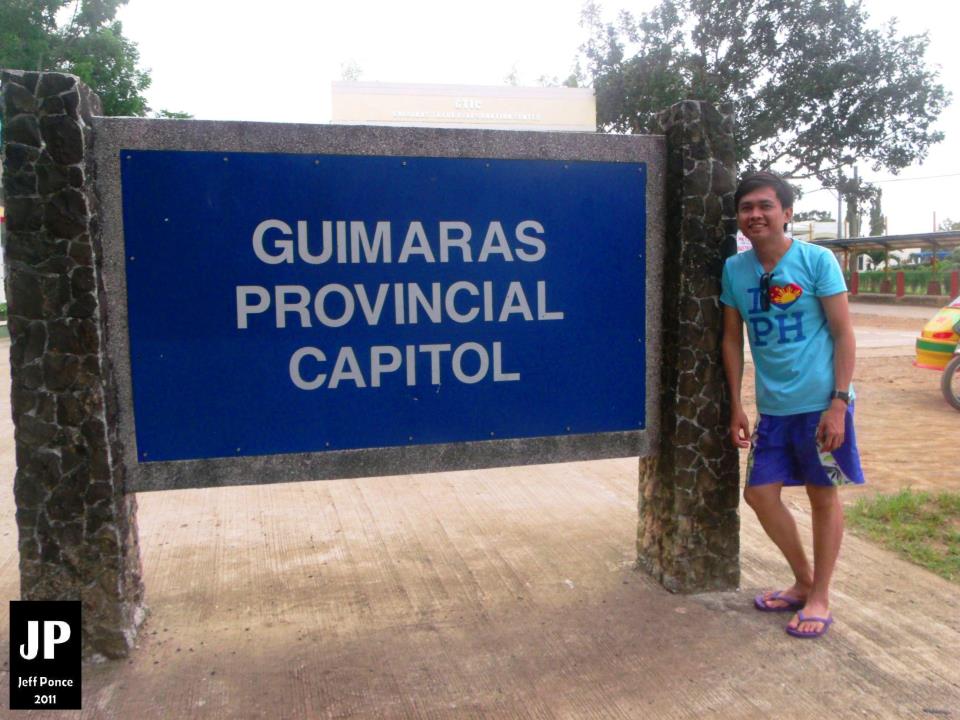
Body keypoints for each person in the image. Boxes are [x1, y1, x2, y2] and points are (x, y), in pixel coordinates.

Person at [720, 171, 865, 639]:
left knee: (824, 496)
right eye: (747, 208)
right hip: (773, 408)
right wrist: (736, 404)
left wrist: (839, 404)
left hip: (821, 404)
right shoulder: (735, 270)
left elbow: (843, 333)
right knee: (759, 494)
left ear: (787, 213)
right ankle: (802, 581)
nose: (755, 215)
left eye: (765, 206)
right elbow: (730, 337)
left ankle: (821, 594)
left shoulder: (816, 261)